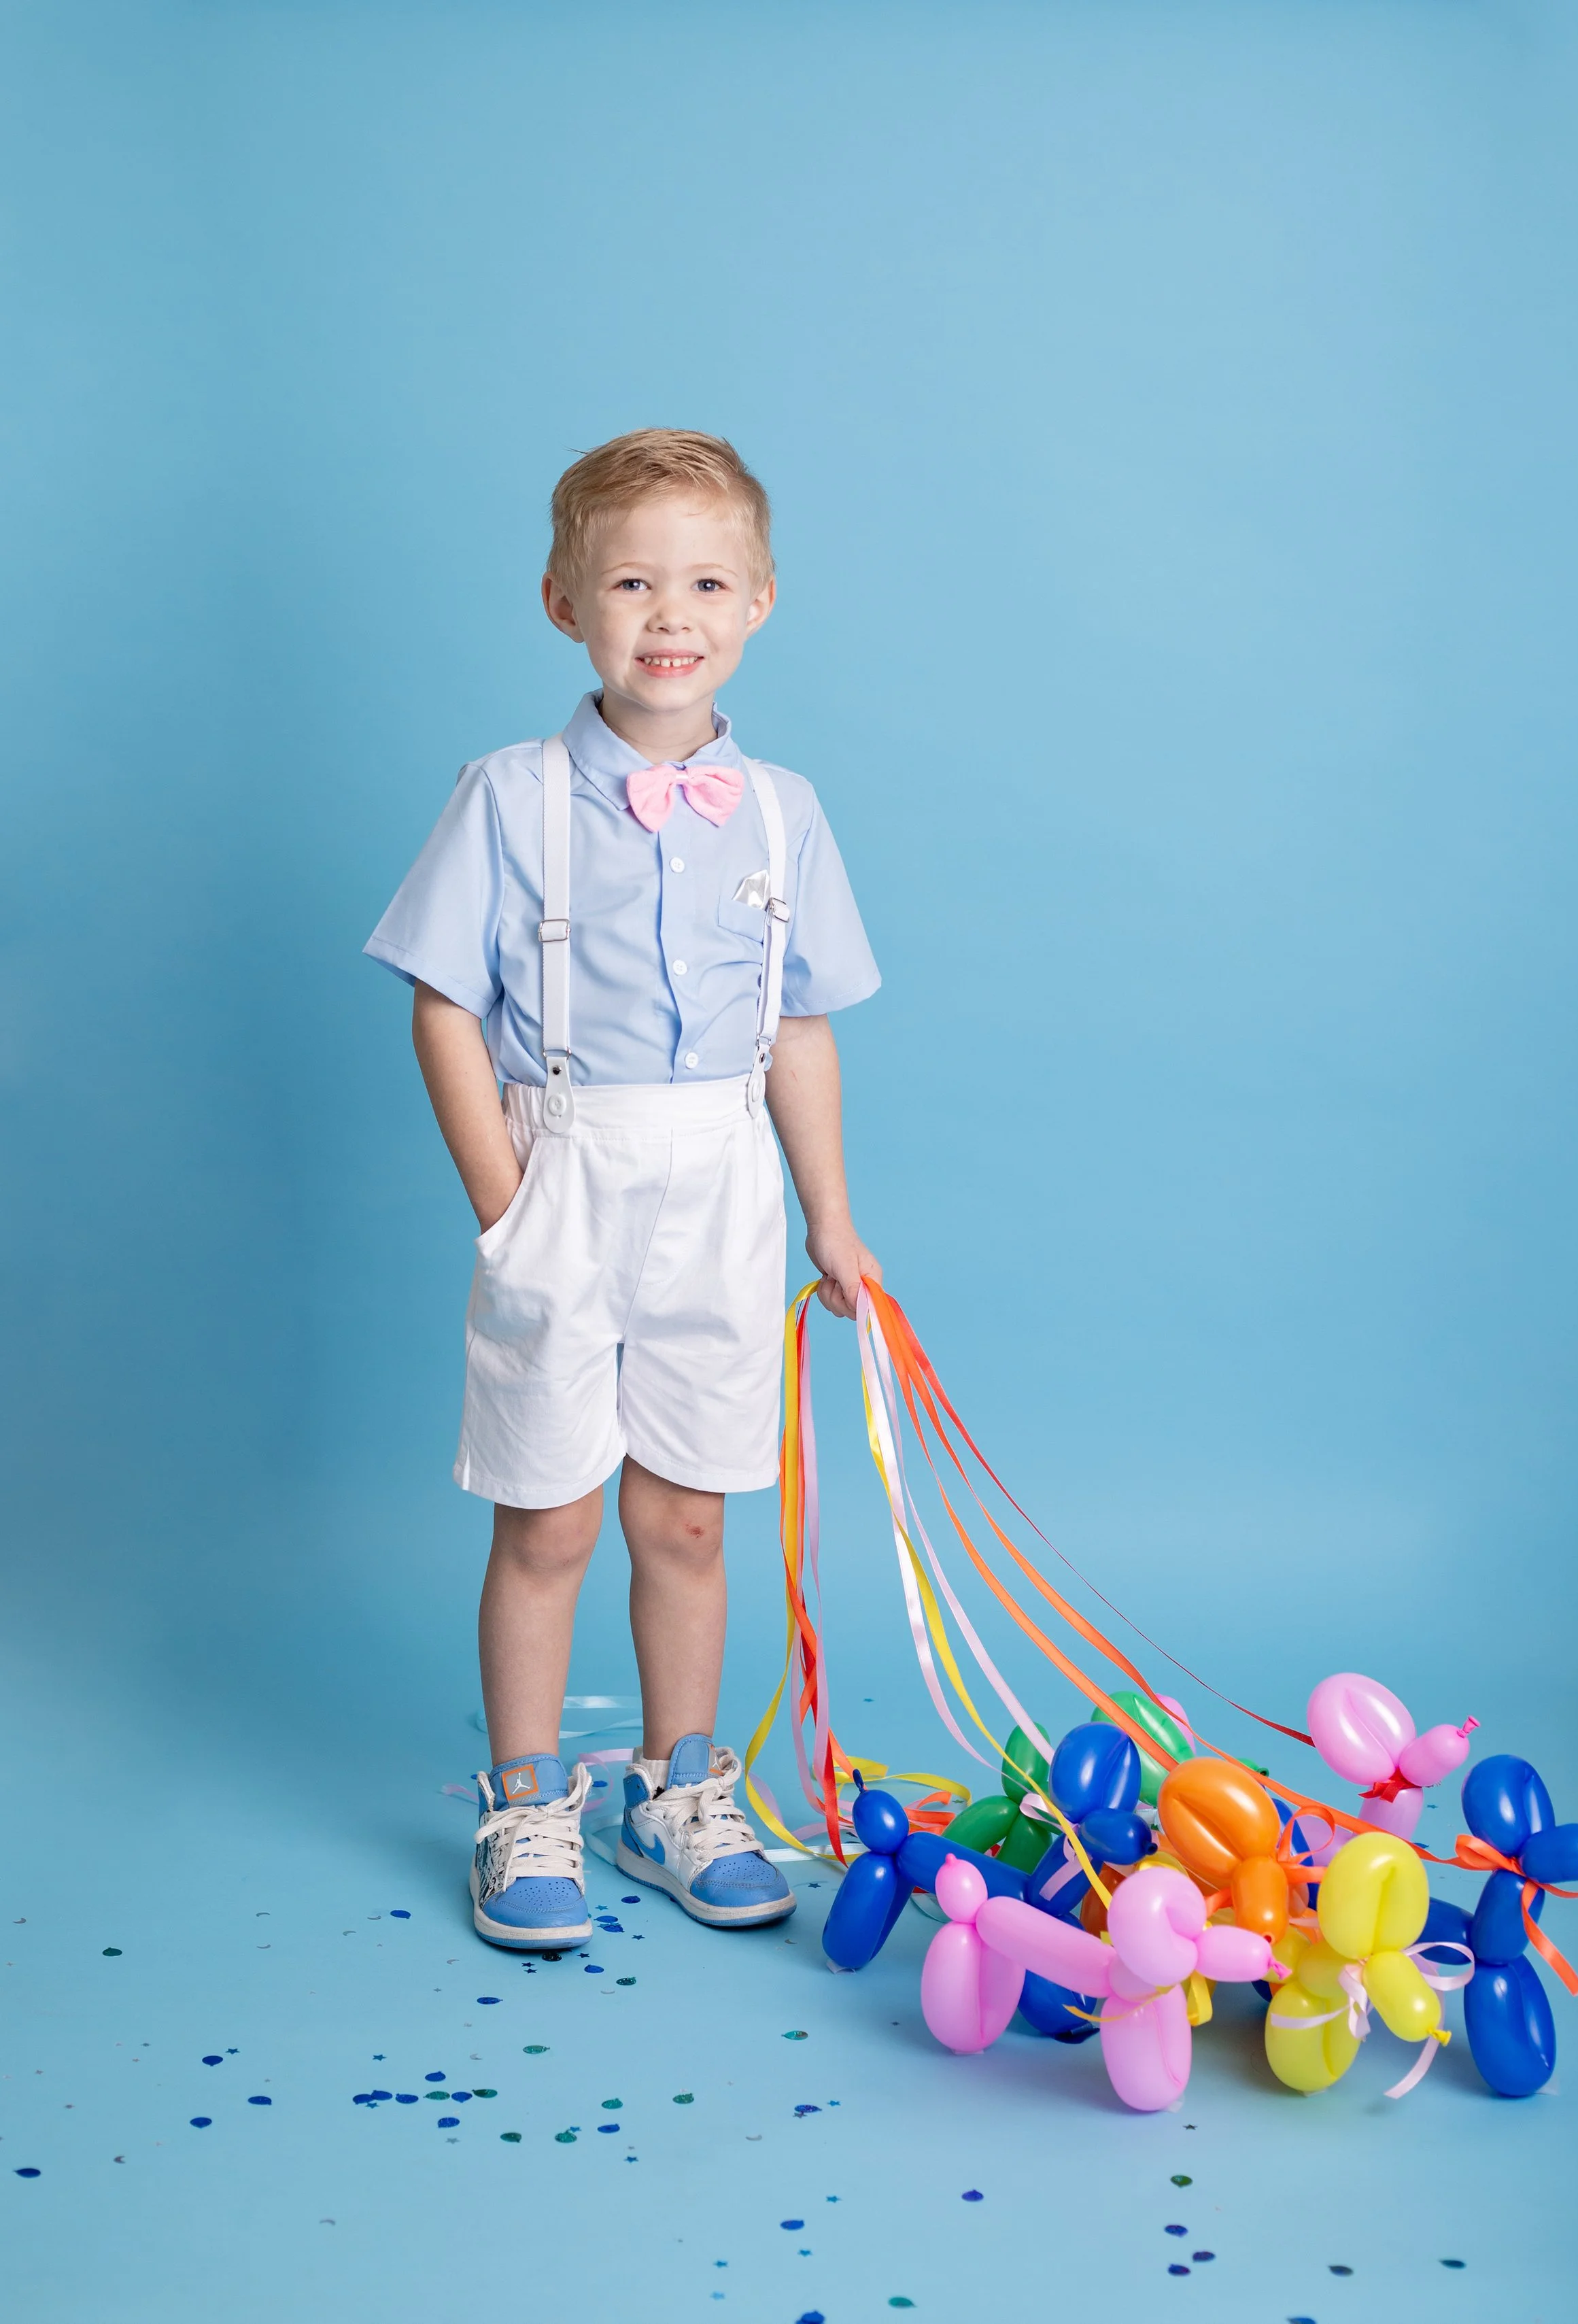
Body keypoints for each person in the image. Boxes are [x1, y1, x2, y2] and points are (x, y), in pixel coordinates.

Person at [365, 430, 880, 1949]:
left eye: (706, 580)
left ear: (760, 601)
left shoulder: (781, 810)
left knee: (689, 1516)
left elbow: (798, 1023)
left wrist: (828, 1216)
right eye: (632, 580)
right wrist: (506, 1200)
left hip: (721, 1183)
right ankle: (527, 1802)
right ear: (562, 602)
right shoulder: (510, 797)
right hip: (562, 1173)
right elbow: (441, 1004)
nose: (670, 611)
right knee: (549, 1517)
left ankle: (676, 1786)